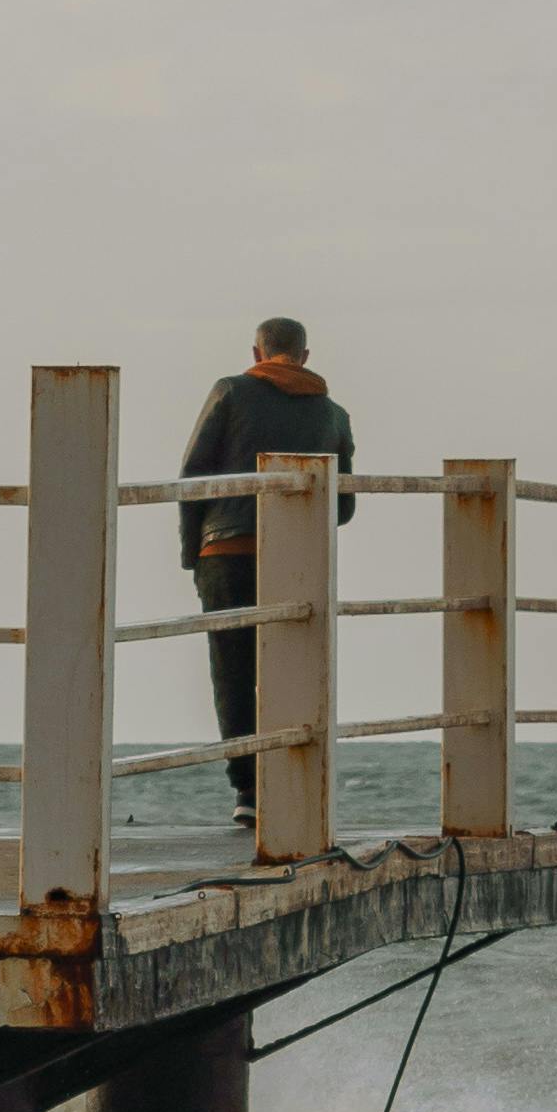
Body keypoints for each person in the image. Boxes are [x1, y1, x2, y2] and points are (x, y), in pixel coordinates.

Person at [178, 313, 356, 832]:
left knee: (233, 673)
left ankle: (249, 790)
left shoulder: (229, 393)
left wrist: (194, 554)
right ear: (305, 355)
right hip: (298, 562)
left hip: (226, 552)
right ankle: (294, 786)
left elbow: (193, 475)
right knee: (293, 672)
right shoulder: (335, 414)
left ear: (257, 353)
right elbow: (342, 506)